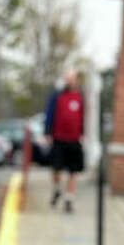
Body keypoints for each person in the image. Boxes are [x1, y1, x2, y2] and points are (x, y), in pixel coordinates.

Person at [43, 68, 85, 212]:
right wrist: (47, 132)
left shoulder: (80, 97)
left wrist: (83, 133)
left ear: (75, 80)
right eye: (67, 78)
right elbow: (49, 114)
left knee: (73, 171)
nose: (69, 81)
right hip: (59, 138)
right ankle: (56, 189)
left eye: (71, 78)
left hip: (74, 140)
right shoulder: (57, 96)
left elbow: (84, 116)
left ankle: (69, 199)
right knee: (56, 168)